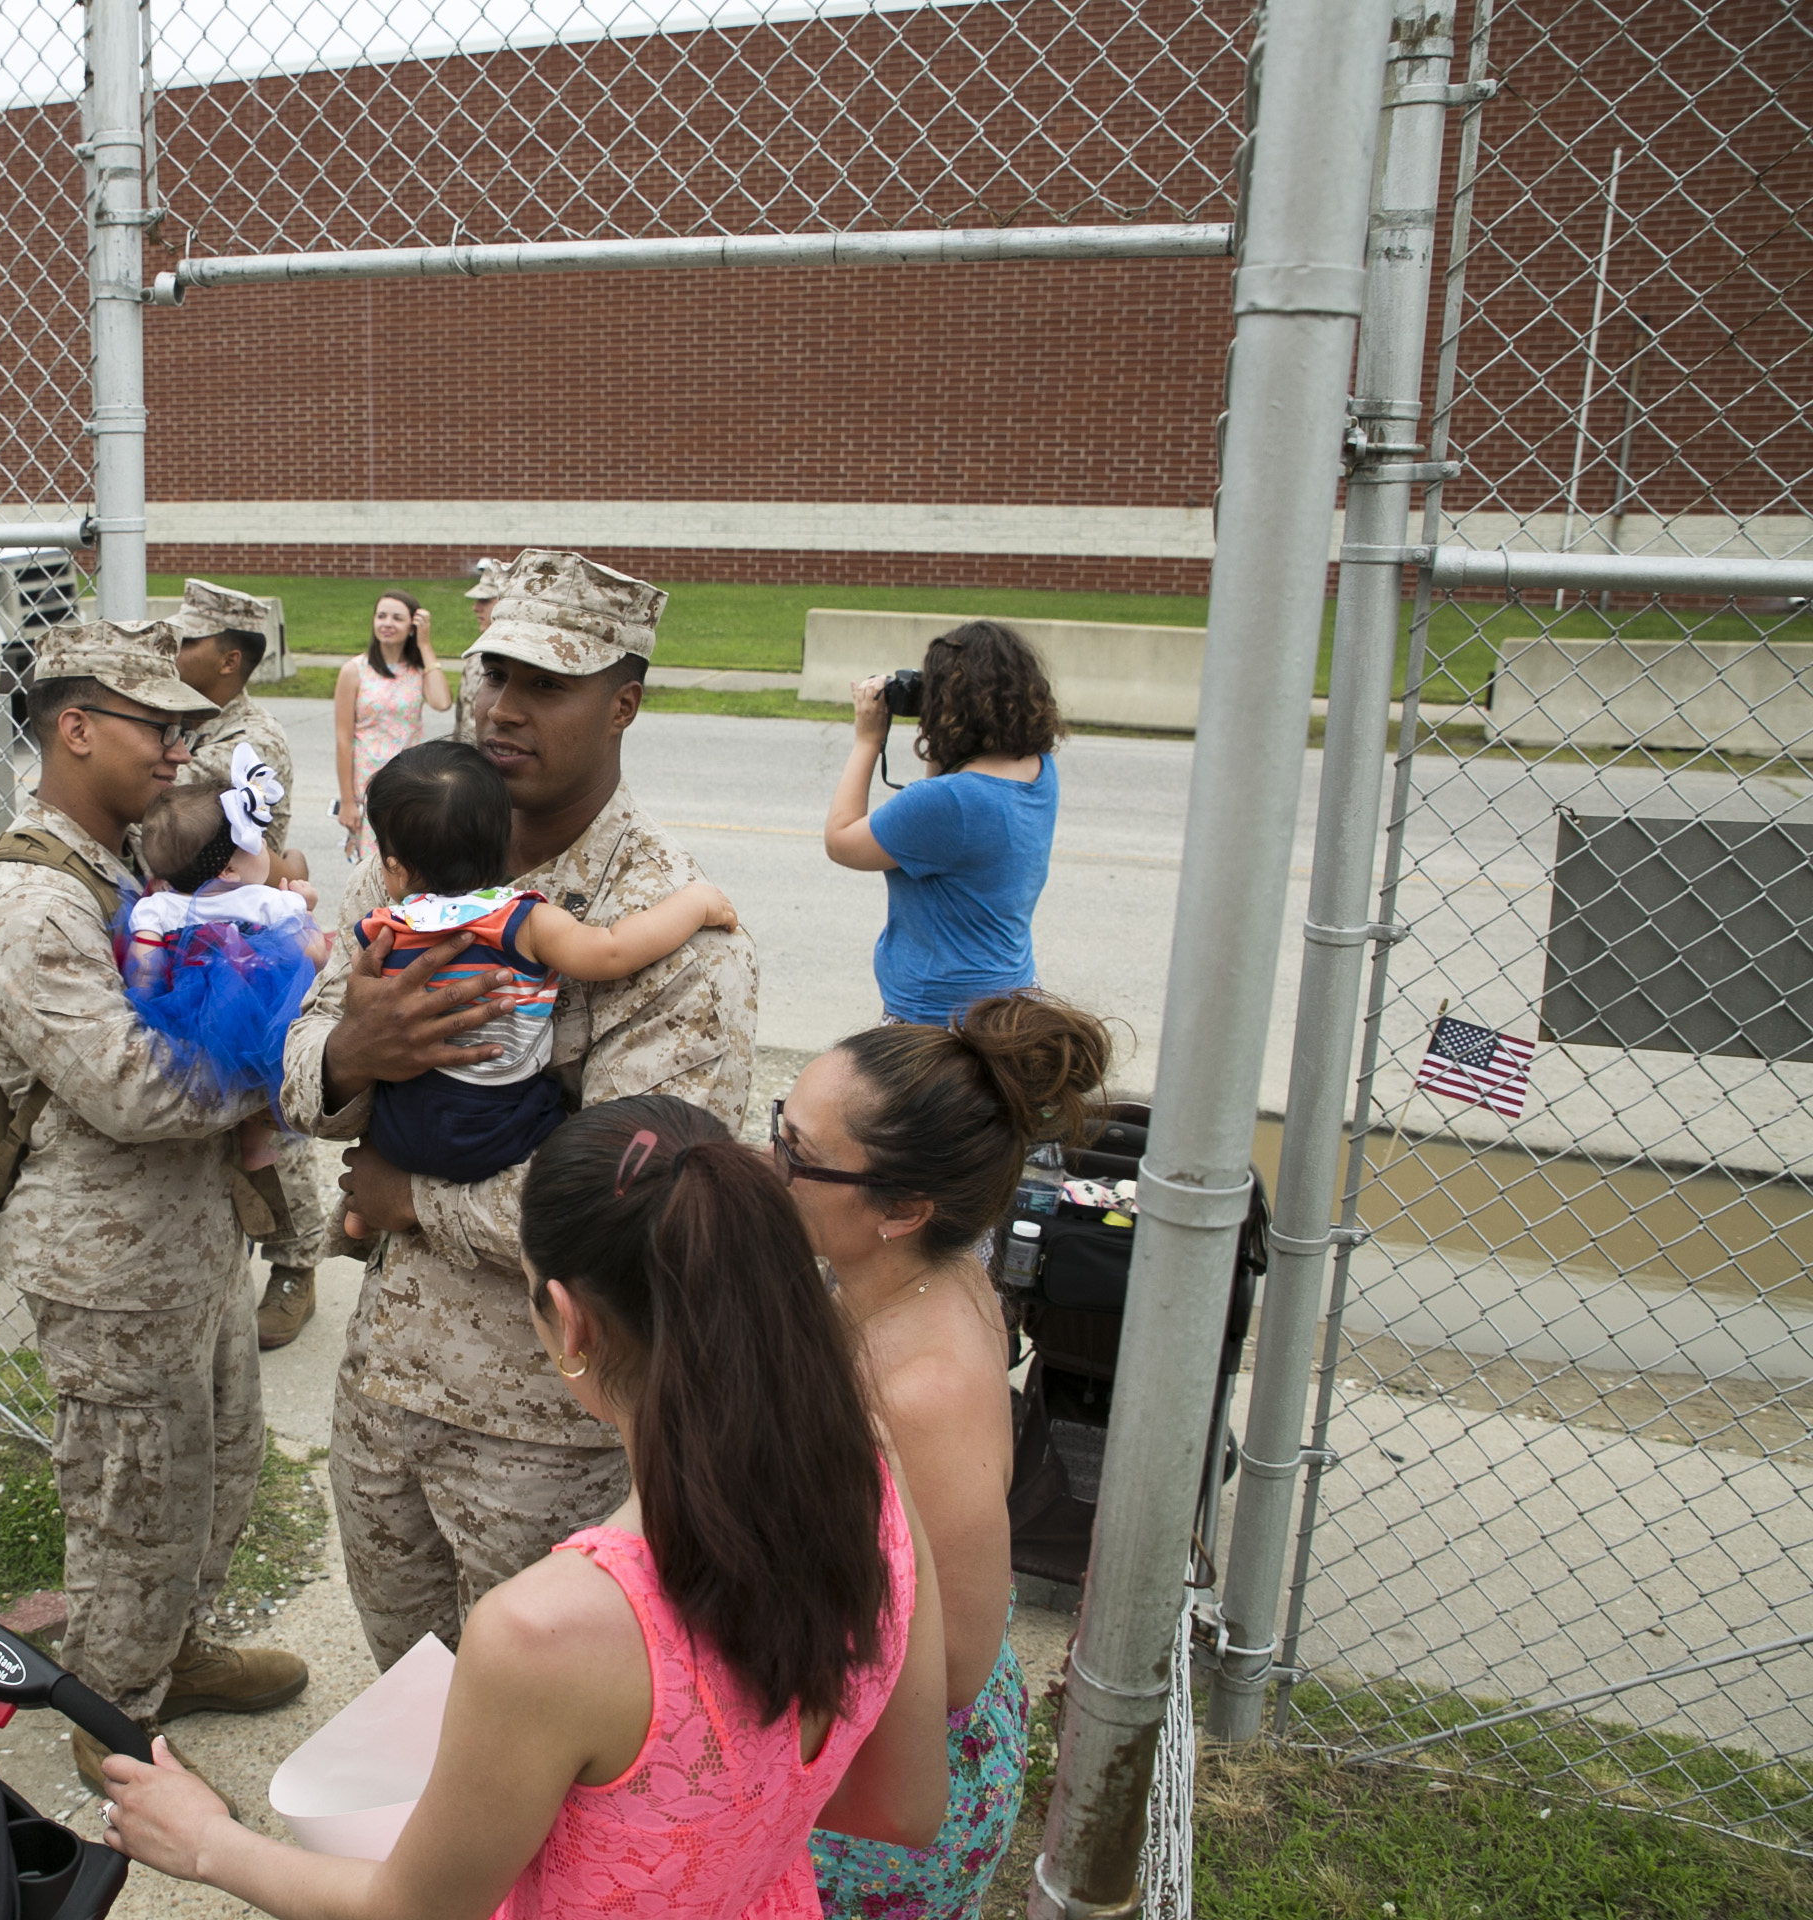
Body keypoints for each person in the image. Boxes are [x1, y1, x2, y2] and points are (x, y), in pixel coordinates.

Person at [98, 1095, 950, 1918]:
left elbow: (414, 1911)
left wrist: (206, 1842)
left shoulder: (546, 1635)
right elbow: (906, 1807)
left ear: (571, 1325)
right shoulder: (874, 1475)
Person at [280, 549, 758, 1670]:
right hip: (387, 1382)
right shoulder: (415, 856)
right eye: (495, 672)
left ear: (623, 704)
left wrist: (411, 1199)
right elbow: (300, 1061)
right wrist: (351, 1054)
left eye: (548, 684)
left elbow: (640, 1202)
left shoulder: (670, 925)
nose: (501, 706)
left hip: (551, 1431)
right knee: (406, 1694)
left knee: (539, 1734)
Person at [0, 619, 311, 1793]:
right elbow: (135, 1087)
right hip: (107, 1263)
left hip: (188, 1239)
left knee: (218, 1466)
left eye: (182, 728)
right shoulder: (26, 899)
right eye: (154, 725)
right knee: (135, 1506)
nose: (176, 749)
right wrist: (306, 1059)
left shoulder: (126, 862)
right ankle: (118, 1725)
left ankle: (176, 1651)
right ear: (74, 727)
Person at [772, 992, 1113, 1918]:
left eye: (797, 1153)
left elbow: (954, 1665)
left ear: (904, 1208)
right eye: (780, 1125)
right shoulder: (926, 1272)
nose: (771, 1167)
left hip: (886, 1789)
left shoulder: (916, 1395)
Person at [350, 739, 741, 1195]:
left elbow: (358, 995)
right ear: (504, 842)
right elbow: (612, 951)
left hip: (399, 1127)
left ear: (396, 869)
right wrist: (694, 905)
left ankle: (363, 1215)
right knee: (557, 1116)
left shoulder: (381, 928)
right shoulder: (523, 922)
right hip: (497, 1128)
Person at [168, 577, 326, 1347]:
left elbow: (209, 838)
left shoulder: (247, 740)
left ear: (230, 659)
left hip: (240, 943)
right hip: (185, 932)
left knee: (265, 1106)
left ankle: (298, 1263)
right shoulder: (184, 719)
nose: (173, 649)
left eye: (187, 640)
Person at [122, 756, 330, 1251]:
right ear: (231, 868)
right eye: (257, 844)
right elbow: (310, 947)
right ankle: (257, 1152)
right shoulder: (264, 899)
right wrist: (303, 899)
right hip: (259, 1010)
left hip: (189, 1015)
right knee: (265, 1075)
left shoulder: (156, 905)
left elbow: (144, 962)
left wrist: (149, 999)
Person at [822, 620, 1063, 1026]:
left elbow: (840, 842)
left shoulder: (947, 803)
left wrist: (867, 739)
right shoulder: (1038, 769)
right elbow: (948, 806)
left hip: (937, 1019)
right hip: (1012, 1000)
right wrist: (945, 733)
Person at [332, 590, 451, 862]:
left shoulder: (418, 670)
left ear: (412, 627)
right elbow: (342, 739)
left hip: (409, 782)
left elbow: (442, 701)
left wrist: (425, 645)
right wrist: (347, 801)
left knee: (410, 862)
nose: (387, 623)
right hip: (368, 786)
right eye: (381, 616)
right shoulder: (354, 670)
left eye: (397, 618)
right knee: (372, 864)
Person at [448, 557, 505, 748]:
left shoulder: (520, 663)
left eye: (485, 600)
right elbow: (460, 720)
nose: (475, 607)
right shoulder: (475, 655)